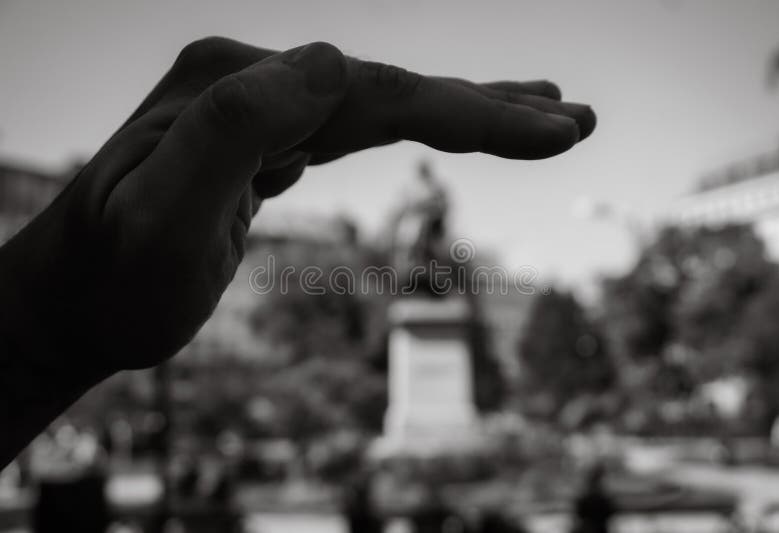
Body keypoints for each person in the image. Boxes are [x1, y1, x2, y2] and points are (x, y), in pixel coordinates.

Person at [0, 38, 596, 467]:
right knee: (412, 245)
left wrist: (40, 334)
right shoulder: (415, 194)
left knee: (434, 247)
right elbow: (406, 216)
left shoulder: (433, 192)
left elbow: (436, 209)